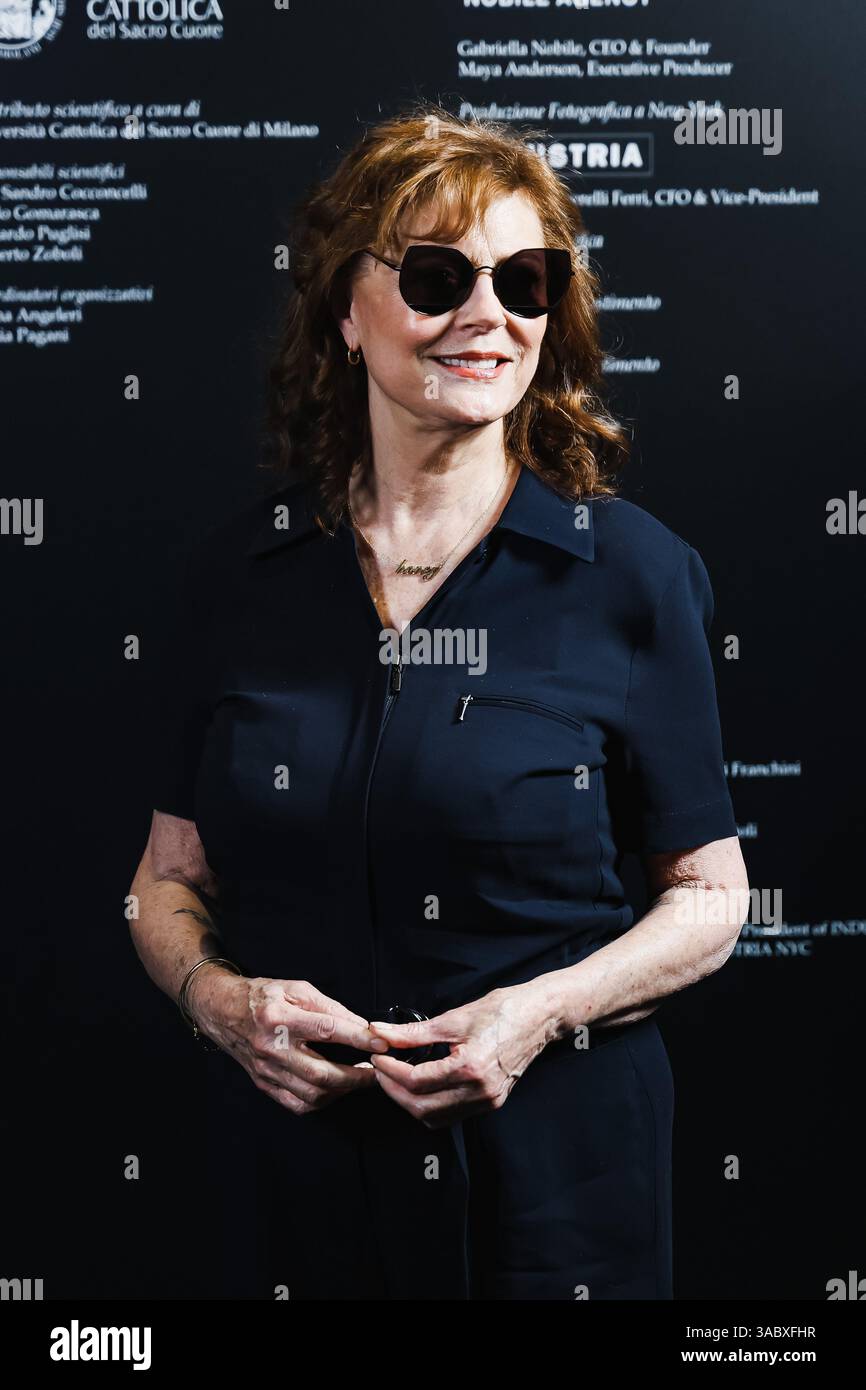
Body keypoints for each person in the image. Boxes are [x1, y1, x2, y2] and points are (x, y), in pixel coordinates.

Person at [129, 105, 748, 1300]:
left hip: (556, 1190)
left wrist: (534, 1015)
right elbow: (164, 880)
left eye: (523, 281)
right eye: (434, 275)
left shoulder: (629, 572)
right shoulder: (233, 578)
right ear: (343, 311)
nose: (487, 316)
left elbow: (712, 896)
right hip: (293, 1190)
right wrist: (218, 1000)